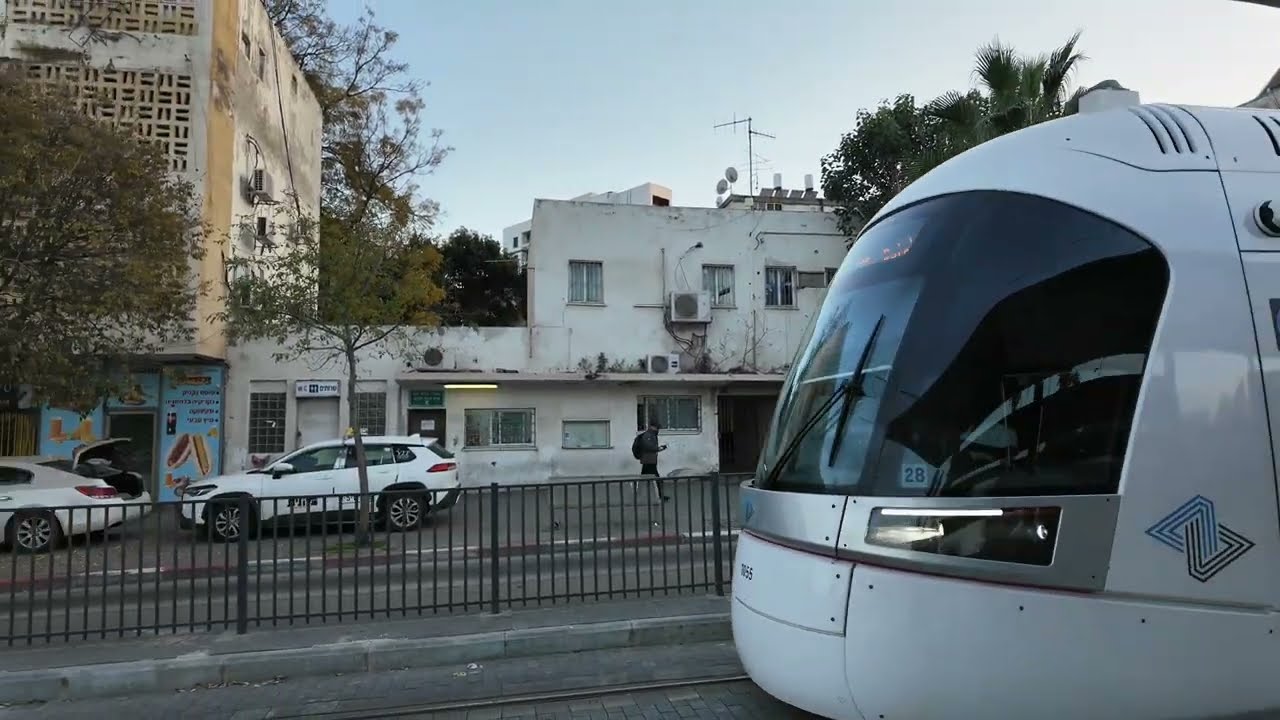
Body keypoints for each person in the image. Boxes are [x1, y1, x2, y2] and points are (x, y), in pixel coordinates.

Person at [632, 422, 670, 502]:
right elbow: (649, 447)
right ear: (652, 427)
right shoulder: (648, 435)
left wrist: (659, 448)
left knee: (643, 478)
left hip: (649, 460)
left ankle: (638, 495)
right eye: (657, 428)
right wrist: (659, 448)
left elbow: (651, 447)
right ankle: (660, 496)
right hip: (648, 460)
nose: (658, 430)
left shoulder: (651, 434)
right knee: (657, 479)